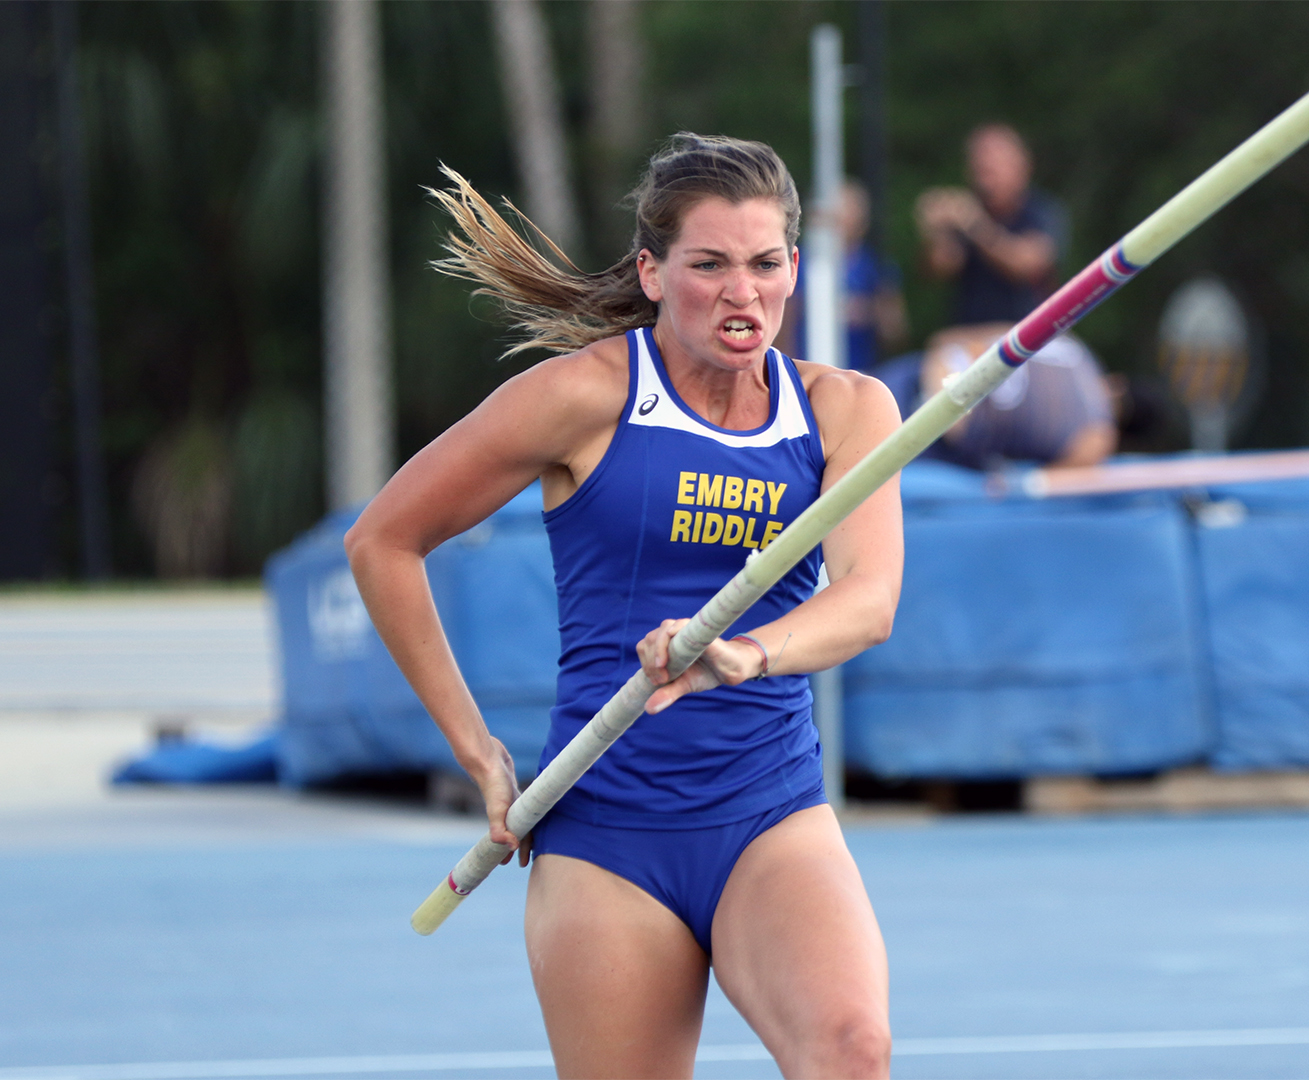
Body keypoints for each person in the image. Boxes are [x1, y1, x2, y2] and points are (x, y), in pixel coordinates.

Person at [344, 135, 903, 1079]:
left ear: (795, 267)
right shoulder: (585, 396)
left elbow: (869, 599)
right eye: (709, 265)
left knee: (852, 1050)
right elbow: (383, 541)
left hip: (770, 811)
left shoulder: (845, 410)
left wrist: (744, 653)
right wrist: (477, 751)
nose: (742, 293)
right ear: (652, 271)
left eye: (766, 264)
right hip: (607, 835)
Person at [916, 123, 1067, 325]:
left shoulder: (1042, 210)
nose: (985, 176)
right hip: (971, 334)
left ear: (1022, 166)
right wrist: (936, 232)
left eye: (994, 166)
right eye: (979, 166)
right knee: (940, 342)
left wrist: (975, 225)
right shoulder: (968, 208)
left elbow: (1026, 265)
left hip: (1033, 331)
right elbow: (940, 269)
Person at [916, 323, 1117, 469]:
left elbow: (1011, 331)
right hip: (950, 427)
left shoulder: (1075, 347)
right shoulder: (1096, 441)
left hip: (943, 367)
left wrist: (945, 342)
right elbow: (1036, 483)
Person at [784, 179, 907, 370]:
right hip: (805, 371)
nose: (842, 217)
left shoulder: (877, 267)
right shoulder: (799, 262)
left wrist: (868, 311)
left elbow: (895, 332)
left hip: (861, 372)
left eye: (853, 209)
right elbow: (784, 322)